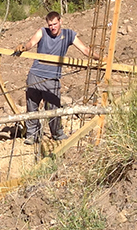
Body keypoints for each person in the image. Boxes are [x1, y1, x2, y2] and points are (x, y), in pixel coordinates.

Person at [14, 11, 93, 145]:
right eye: (50, 25)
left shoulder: (69, 35)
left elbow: (85, 50)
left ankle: (57, 133)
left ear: (60, 21)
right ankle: (32, 135)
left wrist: (100, 58)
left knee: (53, 108)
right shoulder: (42, 32)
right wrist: (23, 47)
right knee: (32, 107)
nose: (52, 27)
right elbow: (31, 43)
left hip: (52, 78)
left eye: (55, 24)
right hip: (35, 75)